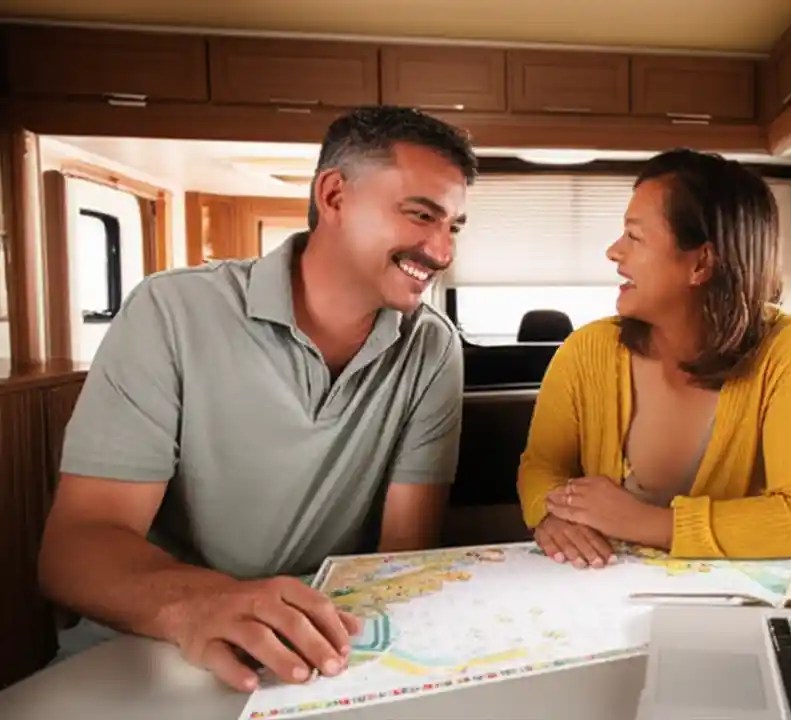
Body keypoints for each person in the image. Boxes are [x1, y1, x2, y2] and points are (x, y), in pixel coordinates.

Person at [38, 106, 475, 692]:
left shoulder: (432, 348)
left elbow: (400, 559)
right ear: (334, 195)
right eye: (422, 215)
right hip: (153, 643)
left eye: (454, 227)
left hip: (316, 652)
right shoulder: (172, 312)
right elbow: (75, 550)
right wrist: (205, 605)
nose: (441, 251)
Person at [516, 149, 791, 569]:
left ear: (701, 263)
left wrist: (647, 523)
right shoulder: (586, 350)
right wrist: (551, 513)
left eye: (634, 237)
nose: (612, 251)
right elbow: (542, 465)